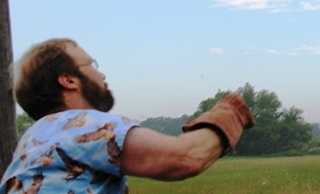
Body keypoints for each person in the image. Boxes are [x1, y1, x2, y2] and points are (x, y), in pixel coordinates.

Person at [1, 38, 254, 193]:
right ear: (68, 80)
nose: (101, 75)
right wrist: (231, 113)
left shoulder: (32, 142)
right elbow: (184, 158)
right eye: (92, 65)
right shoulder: (78, 124)